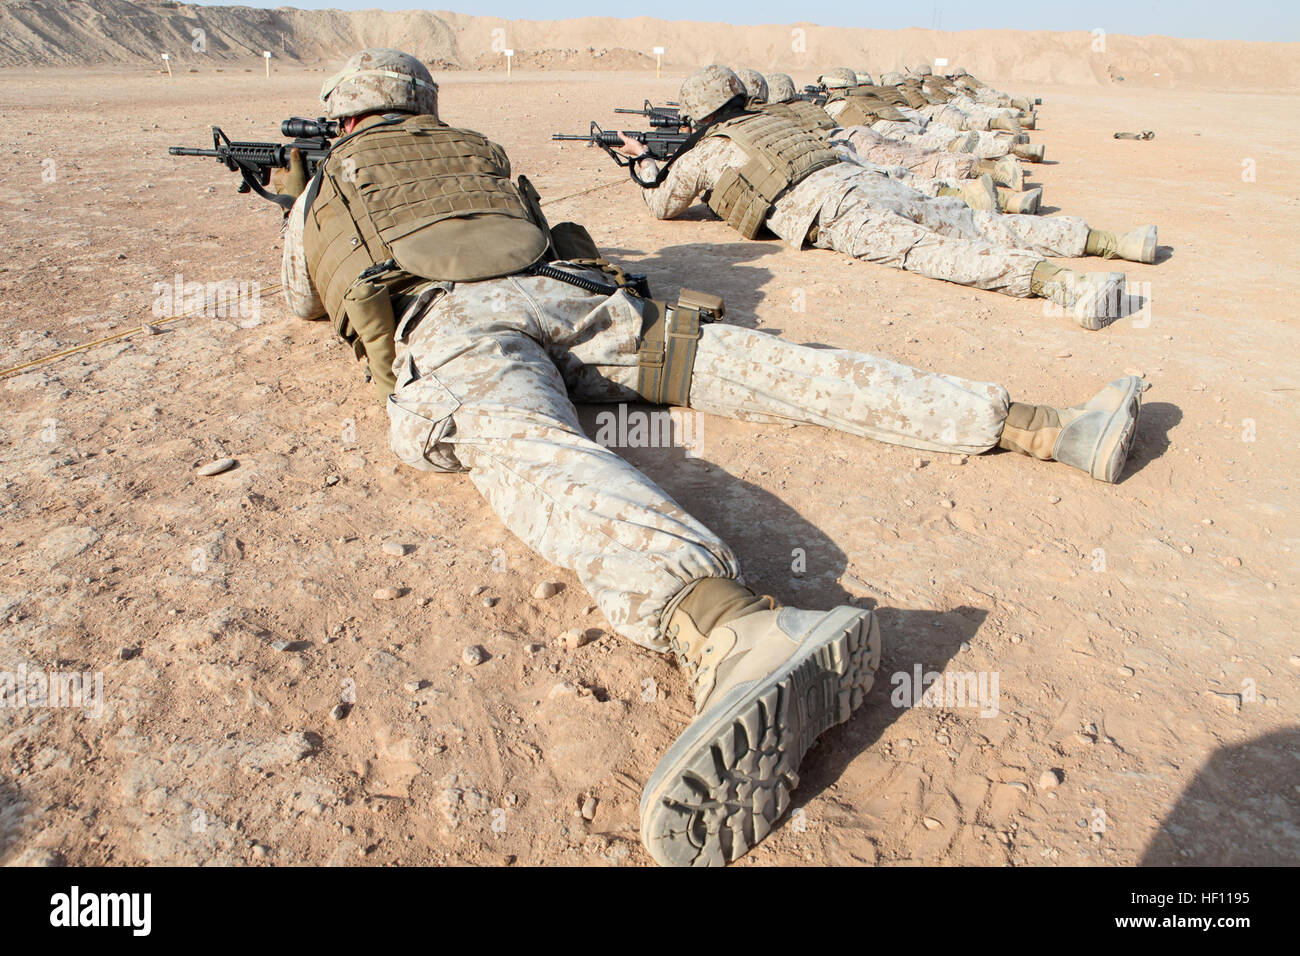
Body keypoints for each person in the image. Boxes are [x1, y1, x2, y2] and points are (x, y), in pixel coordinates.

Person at [278, 49, 1145, 866]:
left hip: (457, 327)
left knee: (531, 447)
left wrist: (300, 195)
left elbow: (308, 298)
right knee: (767, 366)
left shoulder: (330, 182)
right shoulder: (476, 152)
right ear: (422, 104)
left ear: (343, 119)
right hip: (579, 303)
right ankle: (1044, 425)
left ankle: (729, 628)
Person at [615, 65, 1158, 330]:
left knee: (926, 251)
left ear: (698, 110)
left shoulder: (708, 150)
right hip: (859, 178)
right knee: (968, 221)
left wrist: (642, 158)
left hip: (830, 209)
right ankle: (1111, 241)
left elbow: (663, 205)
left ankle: (1066, 285)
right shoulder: (771, 119)